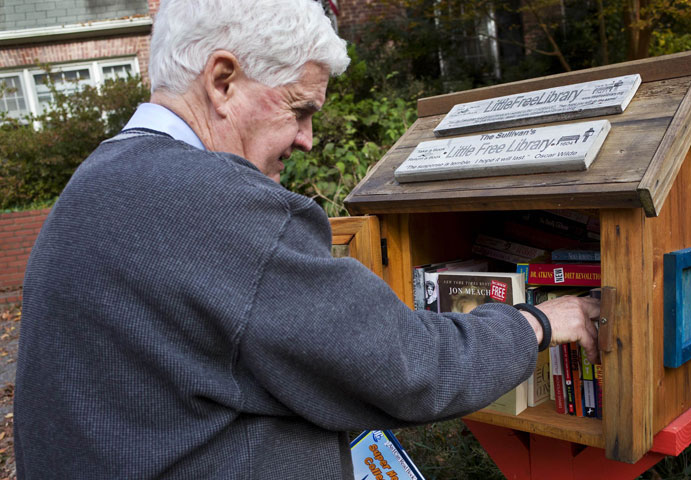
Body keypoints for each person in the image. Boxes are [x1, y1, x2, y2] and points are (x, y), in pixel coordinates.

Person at [13, 1, 601, 478]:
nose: (307, 140)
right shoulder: (216, 203)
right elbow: (411, 369)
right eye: (299, 110)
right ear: (222, 81)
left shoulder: (96, 180)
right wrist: (543, 322)